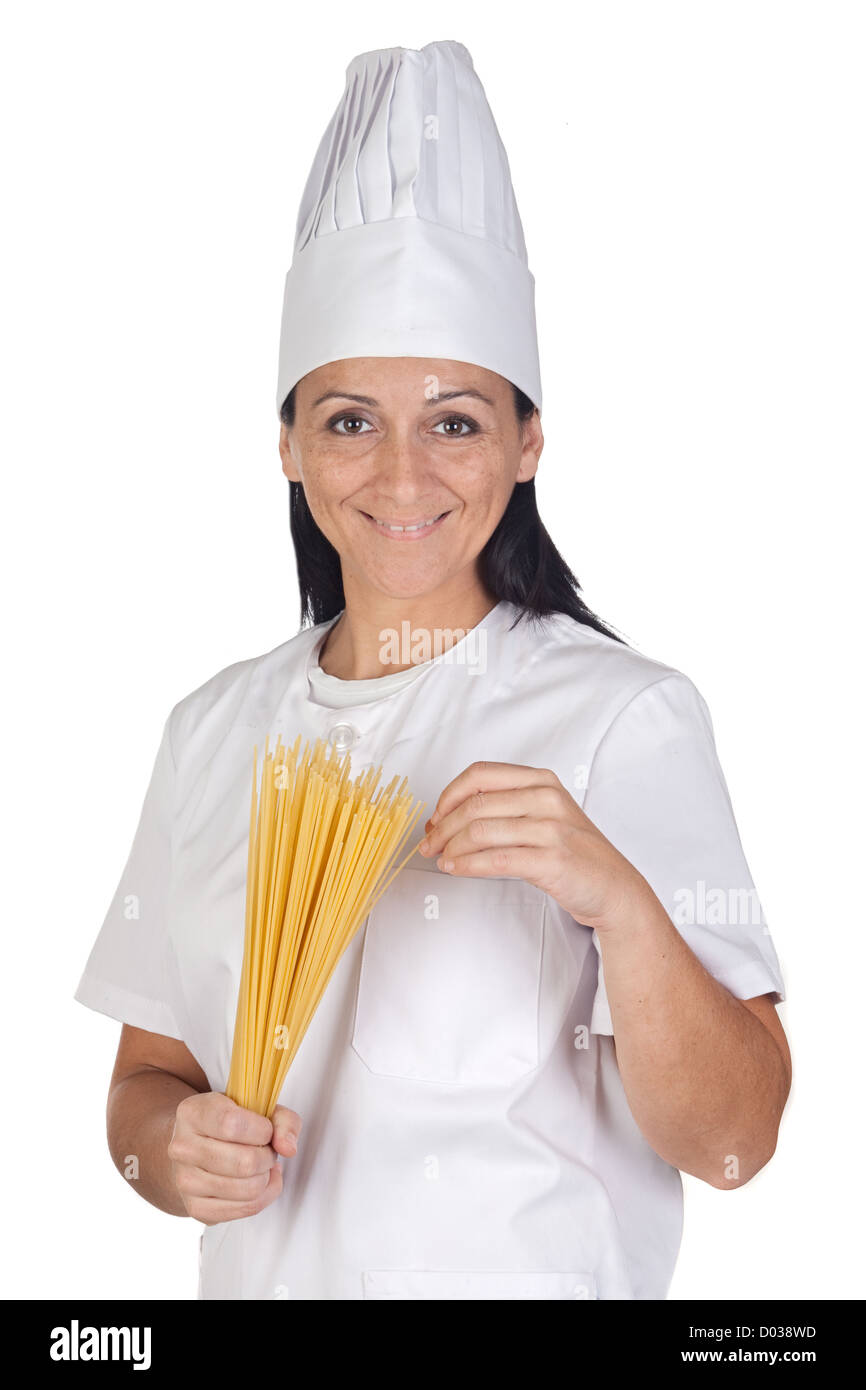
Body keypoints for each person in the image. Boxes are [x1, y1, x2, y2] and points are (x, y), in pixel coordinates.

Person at [74, 39, 790, 1301]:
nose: (401, 478)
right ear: (288, 446)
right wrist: (166, 1154)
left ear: (526, 444)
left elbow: (733, 1144)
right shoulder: (211, 730)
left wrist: (617, 900)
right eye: (349, 419)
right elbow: (145, 1087)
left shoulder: (624, 719)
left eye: (454, 420)